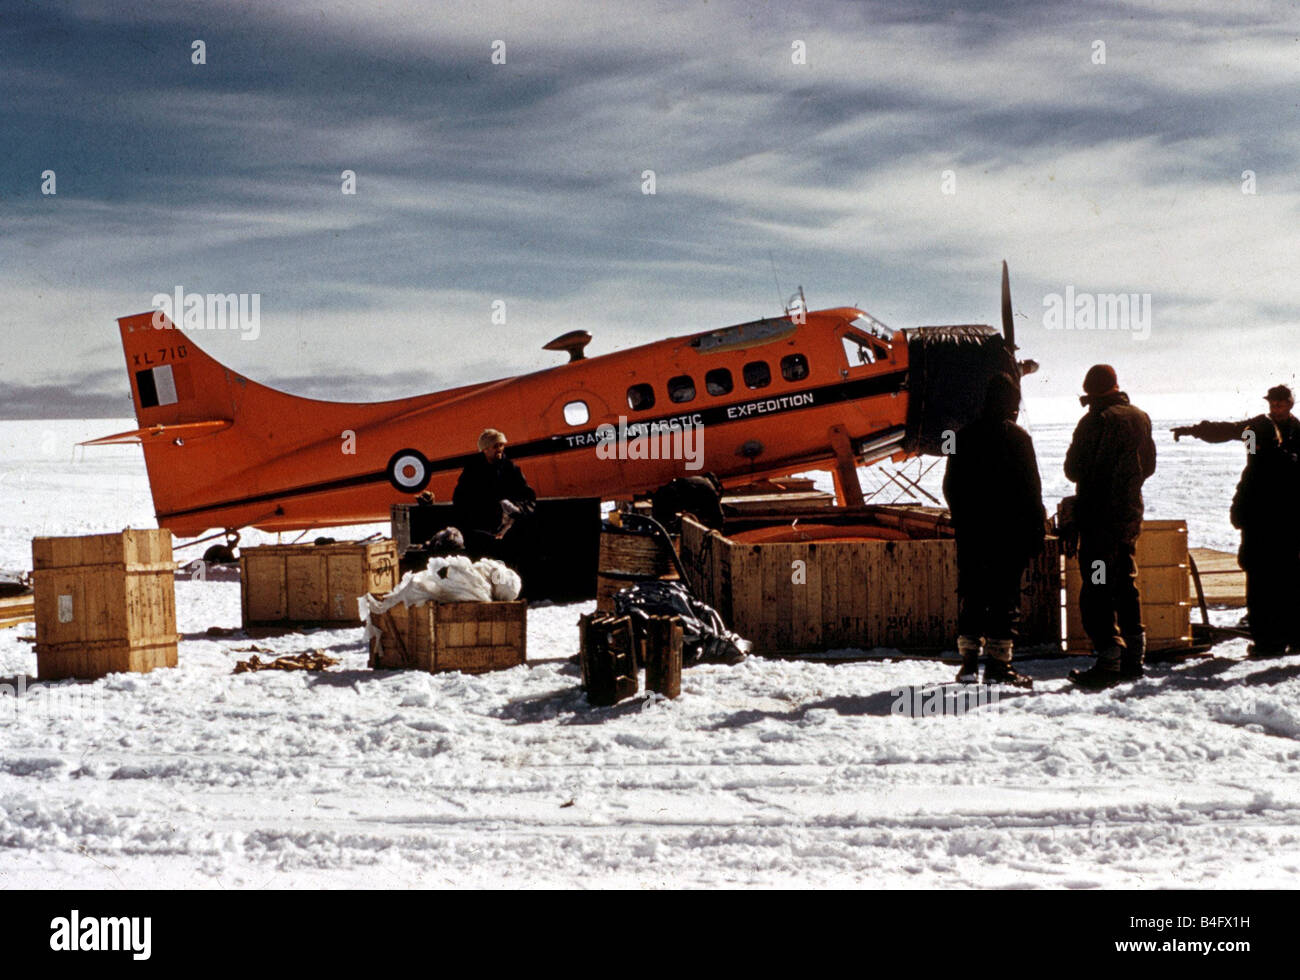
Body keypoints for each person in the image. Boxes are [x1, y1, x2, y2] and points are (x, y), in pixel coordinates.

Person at [1172, 385, 1300, 655]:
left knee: (1290, 580)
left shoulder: (1297, 433)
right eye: (1273, 404)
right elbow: (1227, 431)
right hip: (1260, 515)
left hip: (1289, 517)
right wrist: (1195, 430)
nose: (1276, 408)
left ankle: (1292, 637)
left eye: (1281, 404)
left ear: (1290, 404)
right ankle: (1269, 642)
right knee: (1261, 580)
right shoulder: (1256, 429)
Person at [941, 373, 1046, 687]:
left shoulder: (961, 437)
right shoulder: (1019, 439)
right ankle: (1000, 664)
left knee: (972, 595)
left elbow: (950, 487)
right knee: (1004, 598)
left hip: (973, 535)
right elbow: (1032, 491)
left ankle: (968, 663)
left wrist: (963, 520)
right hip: (1008, 536)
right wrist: (1035, 530)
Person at [1064, 365, 1157, 688]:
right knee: (1125, 582)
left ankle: (1109, 658)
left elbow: (1073, 469)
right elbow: (1149, 466)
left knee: (1098, 584)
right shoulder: (1139, 417)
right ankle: (1134, 657)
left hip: (1098, 523)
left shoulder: (1094, 421)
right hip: (1128, 520)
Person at [452, 429, 537, 561]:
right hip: (479, 532)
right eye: (495, 446)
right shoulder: (472, 471)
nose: (500, 449)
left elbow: (528, 498)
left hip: (508, 532)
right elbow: (460, 500)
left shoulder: (511, 469)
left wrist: (516, 509)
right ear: (485, 449)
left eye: (501, 445)